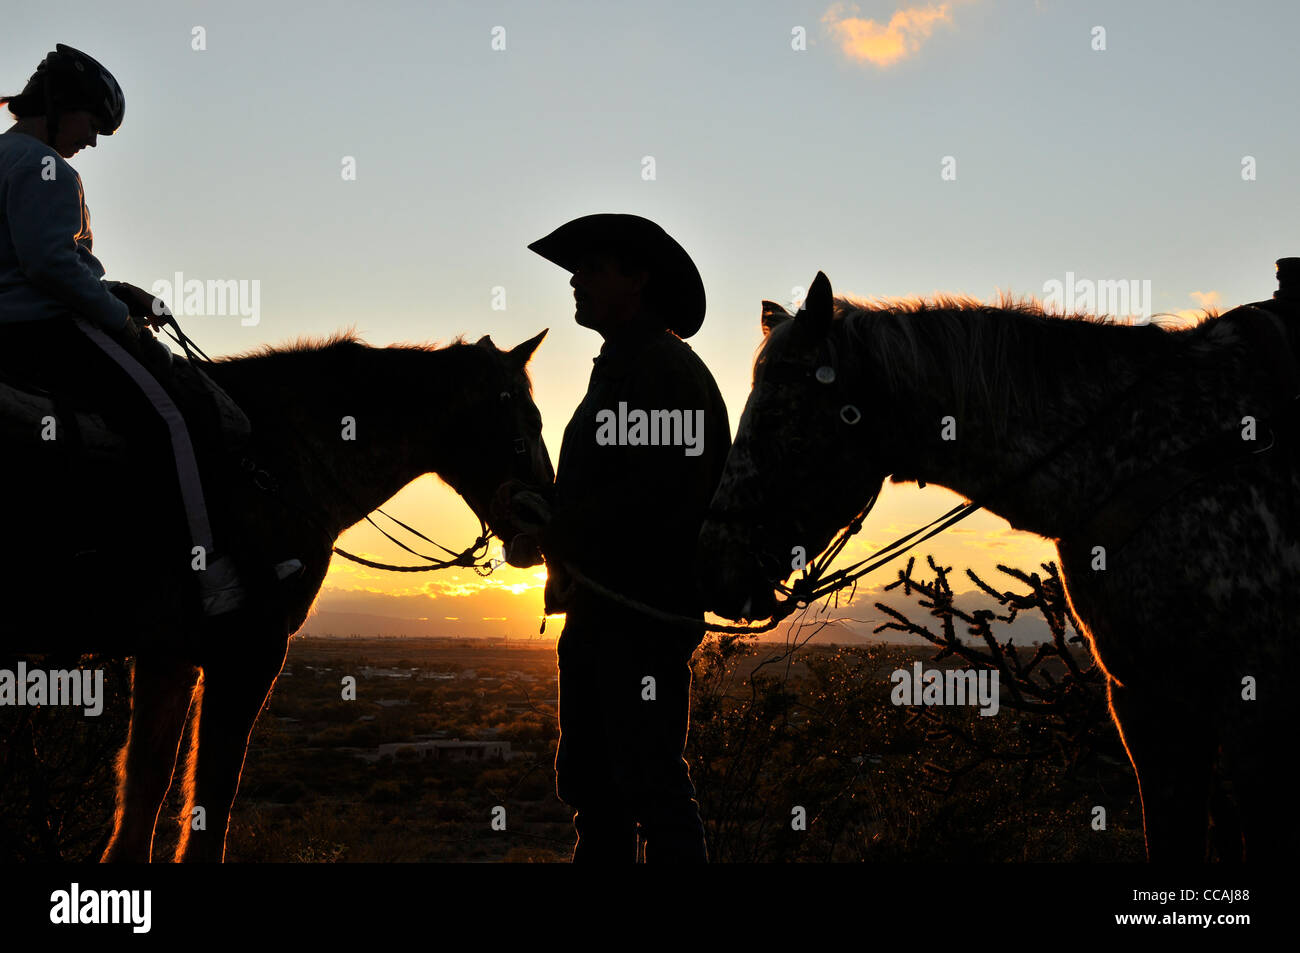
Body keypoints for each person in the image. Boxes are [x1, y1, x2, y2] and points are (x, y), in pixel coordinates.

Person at [0, 44, 297, 617]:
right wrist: (120, 319)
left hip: (14, 326)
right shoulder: (49, 170)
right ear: (60, 105)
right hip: (48, 330)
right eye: (92, 124)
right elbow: (49, 266)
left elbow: (26, 260)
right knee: (175, 417)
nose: (91, 141)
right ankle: (214, 571)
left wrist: (113, 289)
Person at [521, 213, 730, 862]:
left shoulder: (662, 372)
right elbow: (613, 493)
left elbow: (651, 501)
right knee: (604, 797)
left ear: (636, 279)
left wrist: (551, 529)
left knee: (650, 790)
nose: (576, 280)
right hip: (604, 613)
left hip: (636, 619)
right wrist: (538, 513)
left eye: (592, 267)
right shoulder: (627, 368)